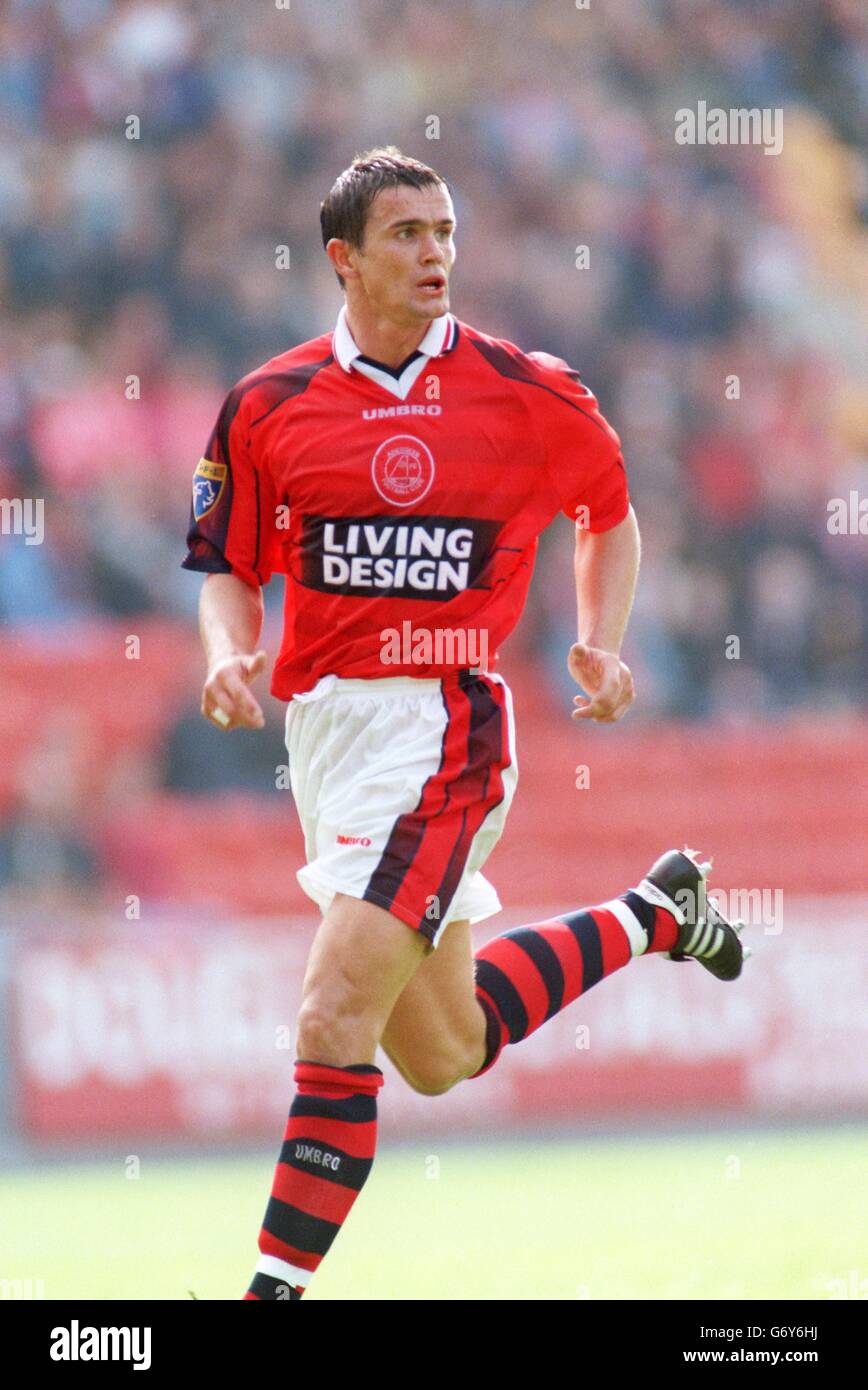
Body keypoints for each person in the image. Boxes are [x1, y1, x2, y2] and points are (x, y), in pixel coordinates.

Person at [181, 147, 747, 1301]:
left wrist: (600, 635)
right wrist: (228, 652)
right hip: (329, 738)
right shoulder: (269, 405)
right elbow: (226, 566)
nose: (436, 253)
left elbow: (610, 514)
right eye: (406, 235)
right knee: (443, 1053)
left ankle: (267, 1296)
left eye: (444, 232)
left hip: (445, 727)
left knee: (333, 1008)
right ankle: (655, 913)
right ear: (344, 259)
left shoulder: (524, 388)